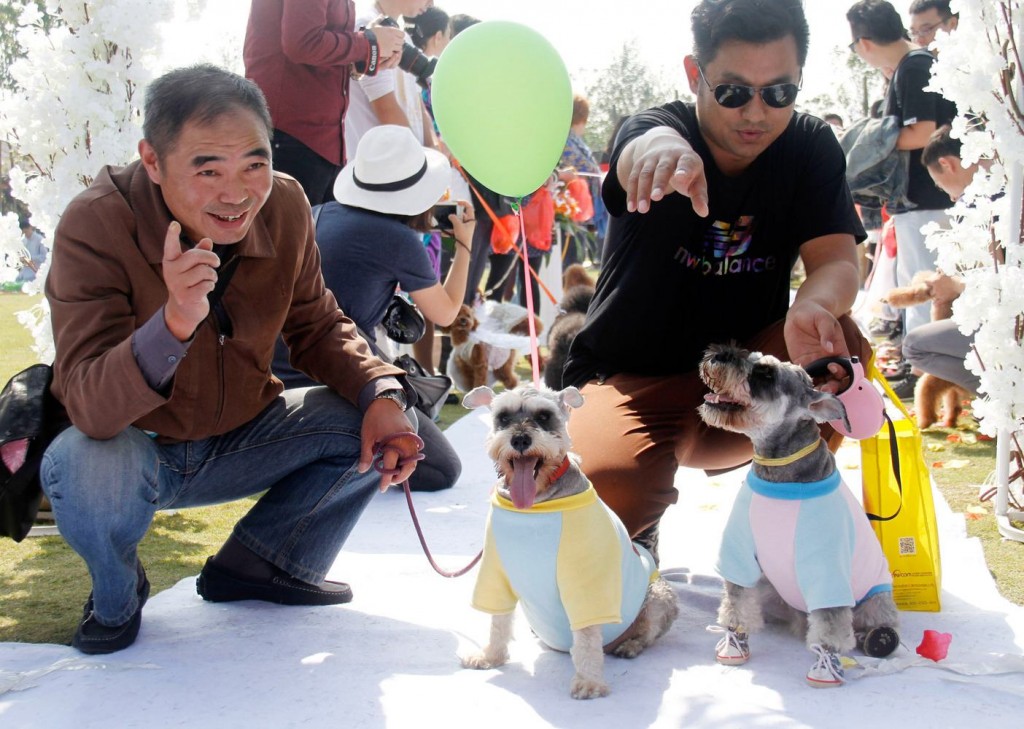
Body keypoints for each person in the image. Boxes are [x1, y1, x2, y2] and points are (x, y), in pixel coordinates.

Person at [41, 64, 424, 655]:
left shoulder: (288, 204)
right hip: (138, 453)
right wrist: (171, 323)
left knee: (374, 415)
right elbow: (89, 405)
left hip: (245, 436)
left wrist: (384, 392)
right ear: (151, 160)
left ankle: (263, 563)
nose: (236, 192)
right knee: (85, 460)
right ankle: (117, 593)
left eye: (255, 164)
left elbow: (319, 325)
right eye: (208, 169)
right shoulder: (95, 223)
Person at [561, 0, 869, 559]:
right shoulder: (656, 129)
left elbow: (838, 262)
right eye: (732, 91)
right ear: (693, 74)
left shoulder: (809, 147)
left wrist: (813, 305)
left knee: (840, 343)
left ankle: (786, 521)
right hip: (632, 383)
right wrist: (662, 154)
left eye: (779, 91)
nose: (755, 112)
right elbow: (641, 147)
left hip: (744, 383)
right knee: (603, 496)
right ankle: (640, 520)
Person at [273, 124, 476, 492]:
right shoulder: (397, 239)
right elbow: (445, 314)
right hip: (335, 372)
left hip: (281, 368)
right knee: (441, 469)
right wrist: (464, 246)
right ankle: (328, 455)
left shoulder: (320, 212)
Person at [847, 0, 956, 347]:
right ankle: (926, 363)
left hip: (927, 199)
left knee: (923, 290)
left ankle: (926, 364)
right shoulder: (911, 66)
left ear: (863, 43)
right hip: (928, 198)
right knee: (923, 288)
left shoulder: (914, 66)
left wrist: (872, 145)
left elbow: (924, 133)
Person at [243, 0, 406, 205]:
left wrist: (367, 56)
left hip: (322, 146)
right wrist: (368, 44)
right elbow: (302, 42)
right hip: (291, 137)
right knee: (285, 235)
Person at [345, 0, 435, 158]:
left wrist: (433, 148)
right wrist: (422, 162)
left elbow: (417, 102)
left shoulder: (403, 36)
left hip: (405, 164)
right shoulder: (369, 26)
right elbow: (385, 107)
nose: (431, 3)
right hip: (380, 167)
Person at [559, 94, 608, 267]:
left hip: (578, 209)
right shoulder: (566, 141)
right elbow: (588, 168)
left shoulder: (573, 140)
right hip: (568, 210)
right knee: (571, 260)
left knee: (575, 258)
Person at [16, 218, 48, 282]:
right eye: (23, 233)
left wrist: (30, 258)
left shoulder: (40, 240)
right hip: (24, 272)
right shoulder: (23, 240)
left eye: (26, 232)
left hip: (36, 273)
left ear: (30, 228)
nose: (25, 235)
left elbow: (45, 257)